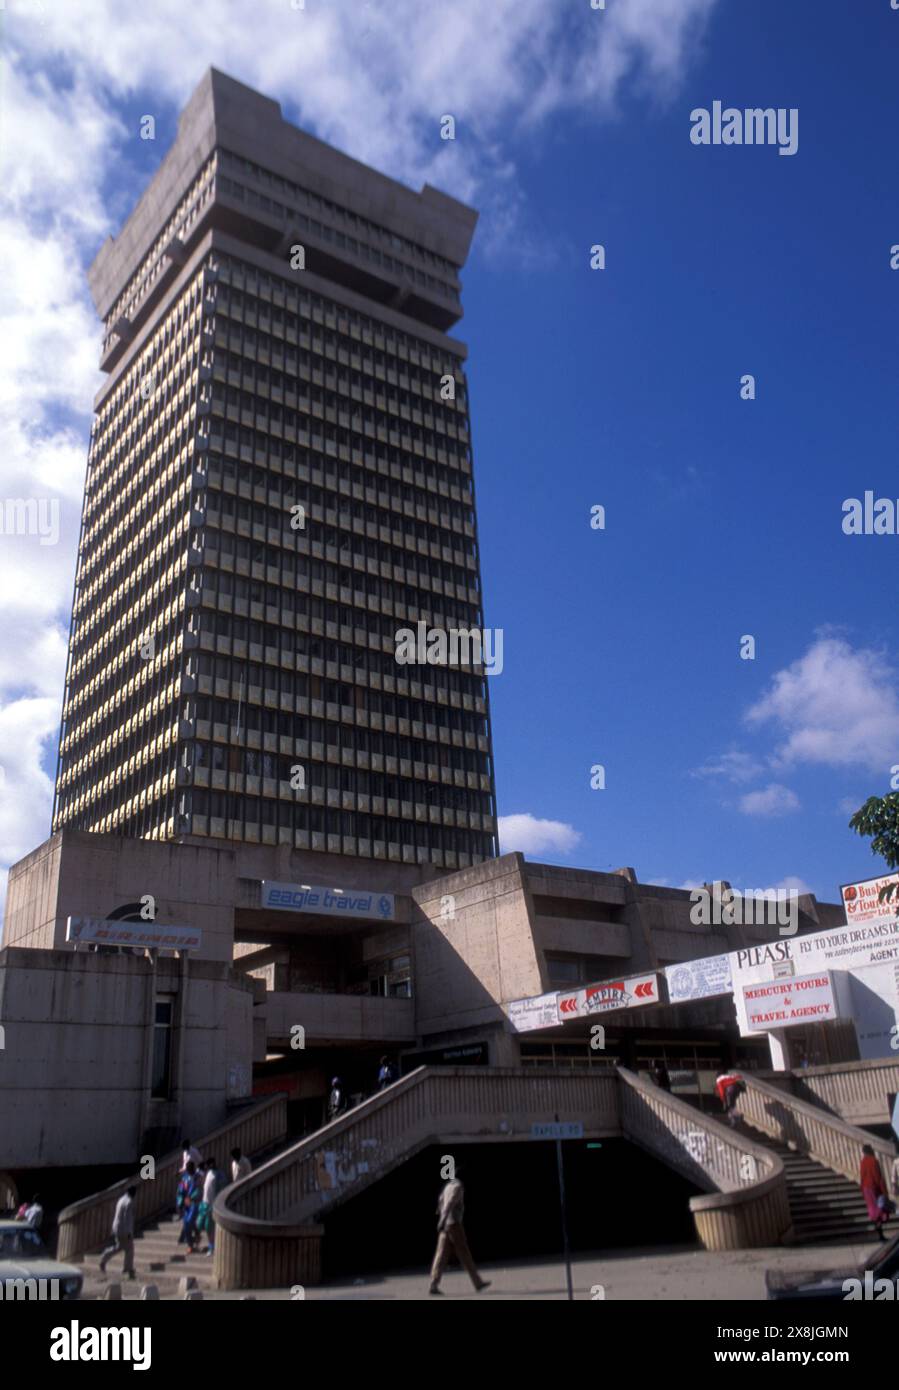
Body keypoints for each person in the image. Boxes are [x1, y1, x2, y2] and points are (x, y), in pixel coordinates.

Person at [428, 1166, 490, 1296]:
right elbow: (450, 1203)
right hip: (454, 1224)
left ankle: (434, 1283)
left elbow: (441, 1201)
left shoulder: (447, 1186)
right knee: (464, 1253)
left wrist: (440, 1219)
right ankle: (477, 1282)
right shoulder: (458, 1186)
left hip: (445, 1225)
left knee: (441, 1254)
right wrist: (444, 1219)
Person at [99, 1185, 137, 1280]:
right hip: (124, 1229)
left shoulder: (121, 1200)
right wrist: (129, 1232)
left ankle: (104, 1258)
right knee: (129, 1249)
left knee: (119, 1247)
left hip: (117, 1228)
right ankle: (128, 1268)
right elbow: (127, 1219)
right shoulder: (129, 1202)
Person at [860, 1144, 891, 1242]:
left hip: (866, 1189)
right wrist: (884, 1191)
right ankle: (880, 1232)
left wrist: (862, 1191)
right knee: (880, 1210)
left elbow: (862, 1177)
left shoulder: (863, 1162)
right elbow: (878, 1177)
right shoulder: (874, 1161)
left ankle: (879, 1232)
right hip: (874, 1188)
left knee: (874, 1211)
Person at [196, 1158, 225, 1257]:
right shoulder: (208, 1173)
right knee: (199, 1224)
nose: (207, 1167)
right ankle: (199, 1242)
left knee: (209, 1227)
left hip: (212, 1204)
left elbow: (221, 1188)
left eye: (209, 1165)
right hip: (204, 1202)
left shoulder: (219, 1174)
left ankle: (212, 1246)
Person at [176, 1161, 202, 1250]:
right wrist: (180, 1202)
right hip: (186, 1204)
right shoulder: (185, 1178)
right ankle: (194, 1239)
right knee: (187, 1223)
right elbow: (180, 1190)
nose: (189, 1170)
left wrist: (191, 1197)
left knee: (189, 1223)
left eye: (190, 1168)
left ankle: (191, 1244)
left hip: (194, 1203)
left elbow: (199, 1189)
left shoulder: (198, 1177)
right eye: (188, 1169)